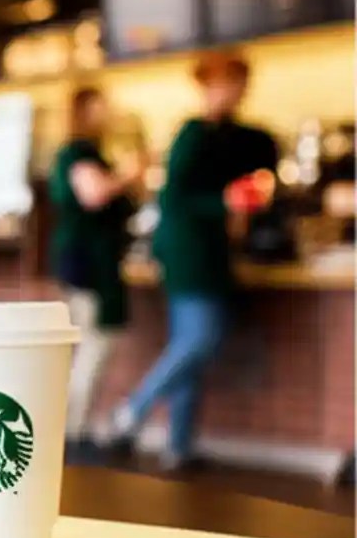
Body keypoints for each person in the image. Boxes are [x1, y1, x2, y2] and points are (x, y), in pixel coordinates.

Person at [101, 51, 278, 471]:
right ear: (212, 86)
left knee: (191, 343)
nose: (238, 92)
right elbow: (174, 198)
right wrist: (226, 201)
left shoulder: (231, 135)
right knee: (200, 339)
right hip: (187, 252)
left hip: (210, 250)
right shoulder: (192, 135)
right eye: (232, 83)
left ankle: (178, 445)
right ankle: (129, 413)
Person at [48, 88, 141, 447]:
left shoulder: (82, 154)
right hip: (88, 264)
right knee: (93, 346)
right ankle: (74, 431)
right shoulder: (78, 153)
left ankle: (75, 428)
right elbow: (95, 194)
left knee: (89, 346)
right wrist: (130, 174)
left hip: (84, 261)